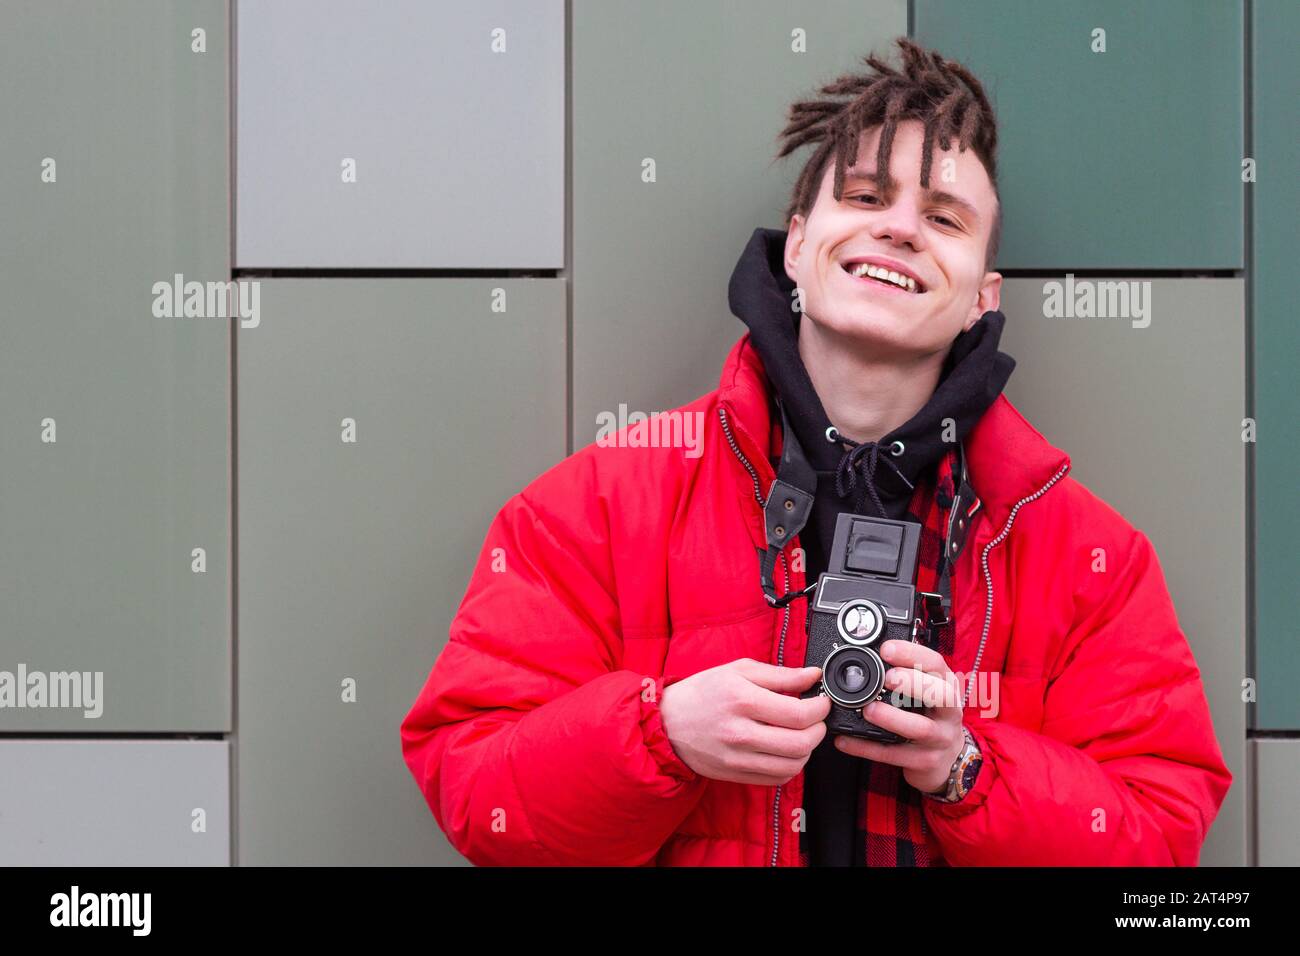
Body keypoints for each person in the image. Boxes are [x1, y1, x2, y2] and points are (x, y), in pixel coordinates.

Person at [400, 37, 1232, 866]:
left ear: (983, 298)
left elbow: (1156, 850)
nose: (901, 228)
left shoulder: (1090, 557)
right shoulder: (593, 510)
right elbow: (476, 789)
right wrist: (661, 735)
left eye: (943, 218)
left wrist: (965, 771)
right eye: (866, 197)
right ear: (797, 244)